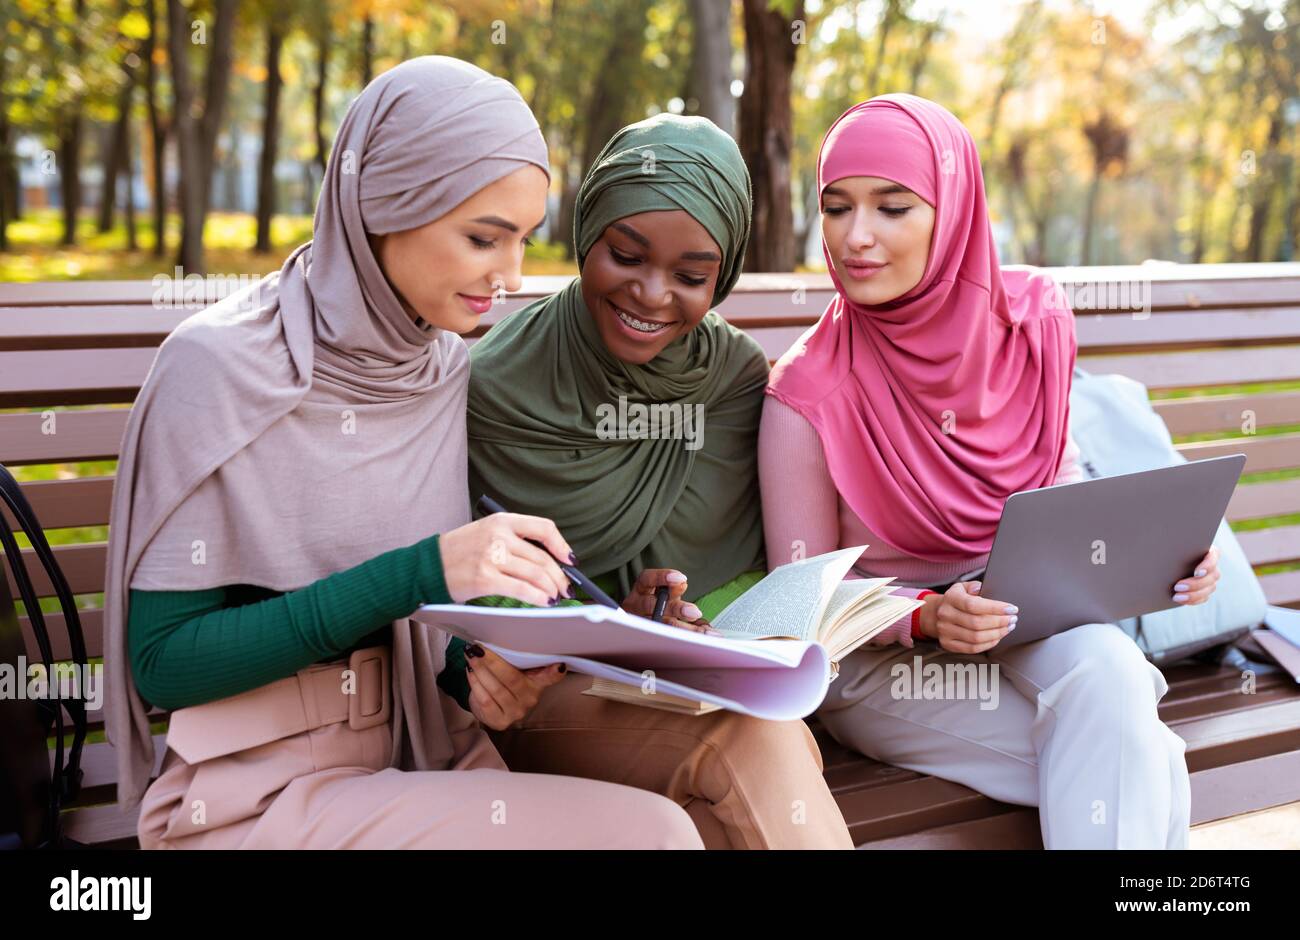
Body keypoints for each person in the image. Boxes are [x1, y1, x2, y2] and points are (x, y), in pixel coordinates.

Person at [102, 57, 704, 850]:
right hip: (254, 791)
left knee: (675, 821)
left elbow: (417, 628)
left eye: (523, 239)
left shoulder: (436, 366)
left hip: (422, 754)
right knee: (648, 839)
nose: (511, 275)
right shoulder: (216, 367)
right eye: (483, 238)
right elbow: (165, 664)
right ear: (382, 204)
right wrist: (425, 570)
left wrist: (482, 673)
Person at [760, 94, 1218, 849]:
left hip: (1028, 615)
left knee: (1112, 674)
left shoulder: (1032, 321)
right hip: (883, 664)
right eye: (836, 208)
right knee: (1143, 755)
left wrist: (1162, 561)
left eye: (894, 207)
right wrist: (928, 614)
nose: (857, 237)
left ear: (955, 210)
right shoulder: (807, 391)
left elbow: (1062, 486)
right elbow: (798, 604)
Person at [463, 114, 854, 849]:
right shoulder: (500, 384)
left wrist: (677, 622)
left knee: (715, 803)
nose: (649, 293)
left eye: (690, 276)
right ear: (588, 234)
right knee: (743, 743)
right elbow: (469, 599)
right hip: (537, 711)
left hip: (695, 703)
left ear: (723, 276)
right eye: (625, 255)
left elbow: (748, 574)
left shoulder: (731, 380)